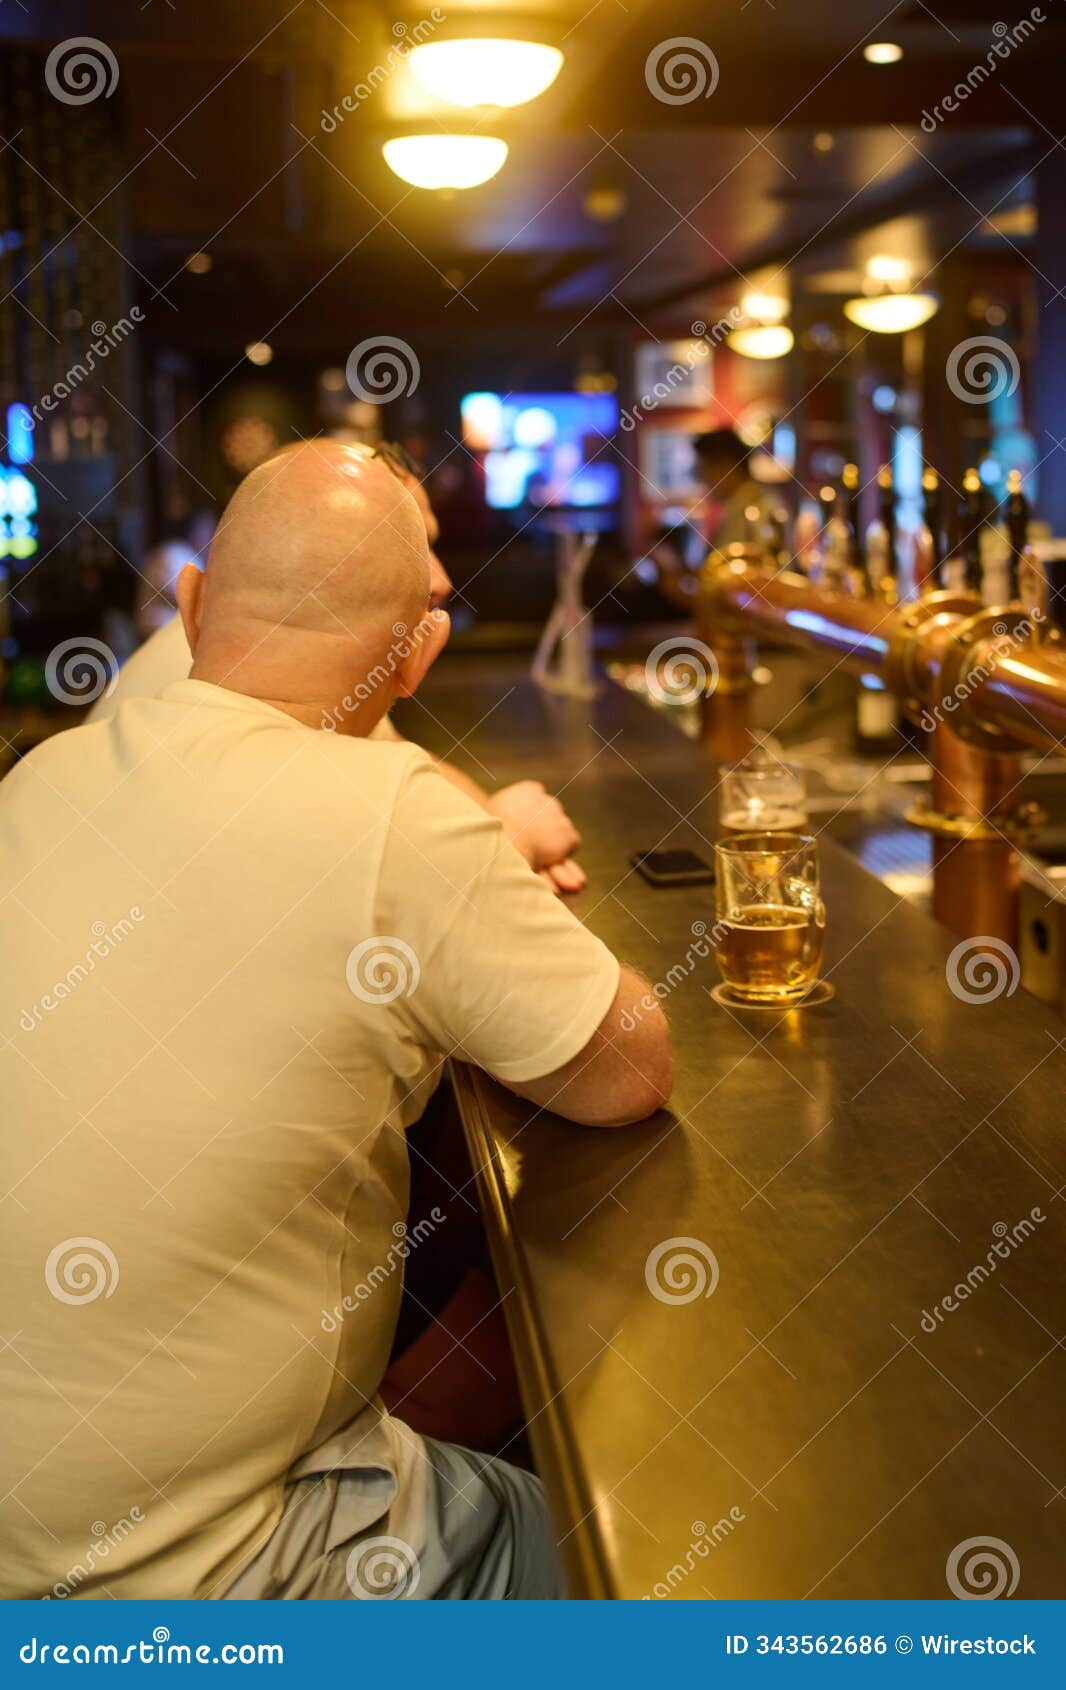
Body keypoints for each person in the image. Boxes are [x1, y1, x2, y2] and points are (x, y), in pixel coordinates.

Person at [0, 442, 672, 1600]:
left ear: (195, 604)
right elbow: (625, 1067)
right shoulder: (392, 814)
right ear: (417, 656)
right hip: (198, 1581)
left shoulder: (42, 777)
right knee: (652, 1548)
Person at [91, 446, 585, 897]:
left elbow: (399, 757)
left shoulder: (295, 654)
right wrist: (505, 849)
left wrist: (494, 823)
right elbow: (302, 892)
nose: (441, 578)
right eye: (408, 542)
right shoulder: (222, 671)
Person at [693, 427, 773, 551]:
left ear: (726, 466)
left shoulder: (757, 510)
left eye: (704, 470)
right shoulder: (735, 508)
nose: (701, 479)